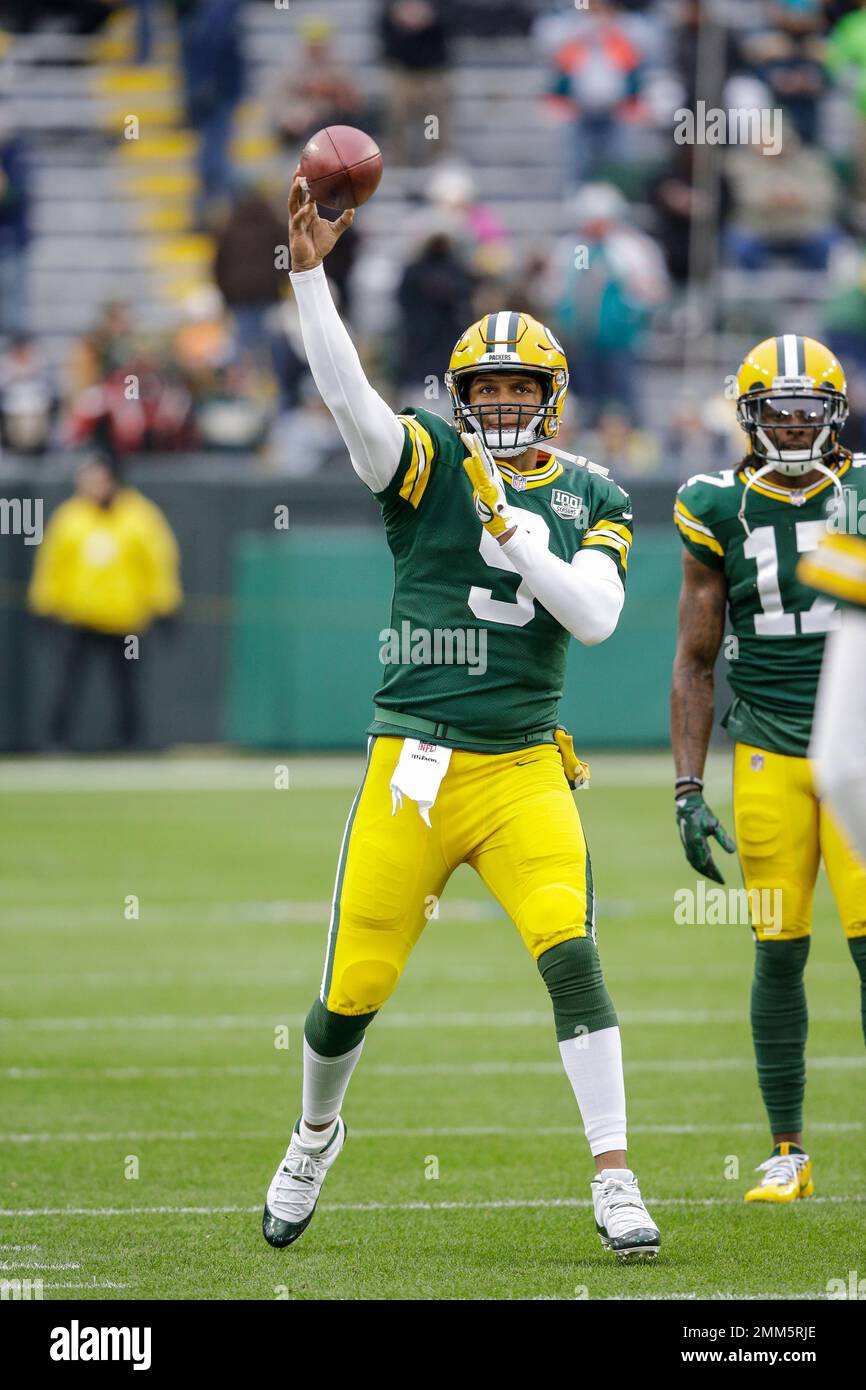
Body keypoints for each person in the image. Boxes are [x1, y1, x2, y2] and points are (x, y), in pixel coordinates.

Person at [260, 171, 662, 1264]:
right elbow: (347, 400)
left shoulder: (589, 493)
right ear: (457, 394)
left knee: (569, 954)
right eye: (480, 389)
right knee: (350, 993)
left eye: (514, 388)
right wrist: (308, 275)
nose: (496, 406)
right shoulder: (426, 463)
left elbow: (592, 618)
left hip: (523, 765)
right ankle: (312, 1135)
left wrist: (520, 531)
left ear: (551, 393)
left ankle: (614, 1173)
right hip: (414, 765)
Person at [671, 335, 866, 1203]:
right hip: (766, 751)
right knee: (777, 951)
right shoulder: (716, 504)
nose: (792, 424)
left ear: (835, 415)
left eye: (808, 410)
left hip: (859, 748)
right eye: (777, 410)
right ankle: (787, 1150)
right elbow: (695, 656)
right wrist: (686, 785)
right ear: (748, 416)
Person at [28, 451, 182, 748]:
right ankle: (55, 742)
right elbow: (52, 564)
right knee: (66, 684)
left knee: (127, 687)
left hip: (125, 618)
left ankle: (130, 743)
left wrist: (165, 602)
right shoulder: (70, 516)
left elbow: (159, 560)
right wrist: (44, 604)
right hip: (78, 616)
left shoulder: (139, 515)